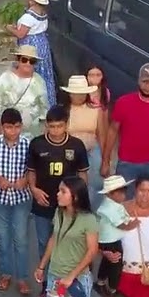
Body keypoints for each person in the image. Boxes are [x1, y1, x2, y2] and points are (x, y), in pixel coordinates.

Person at [25, 106, 88, 297]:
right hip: (43, 204)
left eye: (59, 126)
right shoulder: (36, 144)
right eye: (51, 126)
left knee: (68, 244)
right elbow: (31, 171)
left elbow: (83, 175)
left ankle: (68, 282)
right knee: (46, 244)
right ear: (46, 126)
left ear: (66, 125)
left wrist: (78, 199)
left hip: (68, 207)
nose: (55, 130)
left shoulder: (77, 146)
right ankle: (47, 285)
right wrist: (34, 189)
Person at [0, 108, 33, 297]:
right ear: (2, 127)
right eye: (9, 127)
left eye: (17, 127)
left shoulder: (28, 144)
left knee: (21, 239)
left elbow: (34, 169)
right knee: (2, 238)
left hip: (21, 199)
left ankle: (22, 278)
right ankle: (5, 274)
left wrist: (25, 180)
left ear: (21, 126)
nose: (13, 131)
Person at [104, 62, 149, 185]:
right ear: (138, 81)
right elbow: (112, 131)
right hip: (127, 164)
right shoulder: (123, 103)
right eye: (144, 81)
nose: (147, 86)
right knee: (125, 202)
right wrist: (105, 161)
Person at [59, 75, 108, 206]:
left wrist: (105, 160)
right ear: (70, 94)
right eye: (76, 93)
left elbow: (102, 135)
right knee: (70, 184)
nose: (79, 96)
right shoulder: (63, 110)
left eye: (82, 93)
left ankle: (93, 212)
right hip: (69, 151)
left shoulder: (96, 110)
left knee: (96, 184)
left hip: (92, 149)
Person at [0, 45, 48, 138]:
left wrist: (44, 136)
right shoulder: (5, 78)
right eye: (24, 60)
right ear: (18, 60)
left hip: (31, 135)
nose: (28, 63)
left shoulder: (39, 82)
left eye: (32, 61)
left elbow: (44, 111)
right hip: (6, 133)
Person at [93, 176, 136, 297]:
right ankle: (113, 288)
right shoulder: (109, 208)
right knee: (116, 265)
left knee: (107, 262)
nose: (124, 195)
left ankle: (100, 282)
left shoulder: (115, 204)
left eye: (124, 191)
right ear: (111, 194)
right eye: (121, 192)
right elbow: (121, 224)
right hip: (110, 241)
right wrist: (133, 224)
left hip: (109, 240)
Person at [13, 0, 56, 106]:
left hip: (31, 45)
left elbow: (21, 34)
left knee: (30, 72)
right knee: (44, 73)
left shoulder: (28, 17)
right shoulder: (43, 12)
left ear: (32, 0)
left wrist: (10, 29)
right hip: (42, 43)